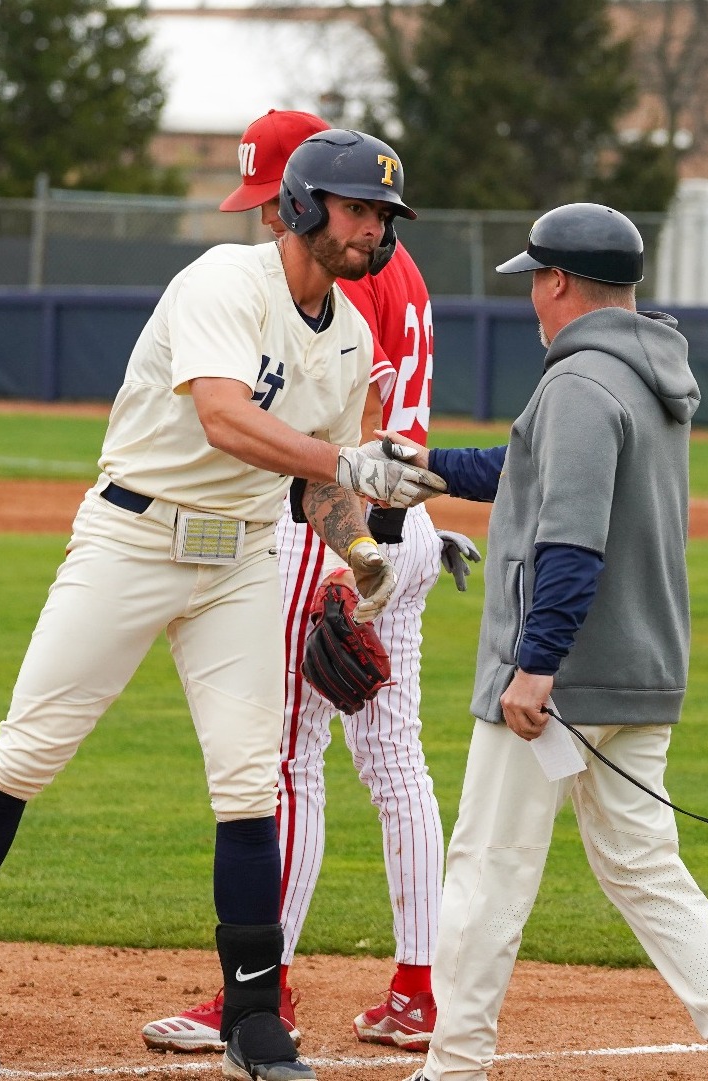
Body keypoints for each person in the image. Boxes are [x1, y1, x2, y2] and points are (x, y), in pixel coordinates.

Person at [0, 130, 448, 1081]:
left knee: (248, 782)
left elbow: (317, 487)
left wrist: (358, 549)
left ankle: (251, 1022)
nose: (375, 230)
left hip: (239, 560)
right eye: (361, 210)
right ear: (310, 205)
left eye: (386, 217)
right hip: (132, 539)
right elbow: (226, 418)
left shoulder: (353, 337)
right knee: (25, 753)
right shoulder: (224, 283)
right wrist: (348, 462)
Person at [386, 204, 708, 1081]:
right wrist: (423, 472)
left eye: (533, 283)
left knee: (487, 872)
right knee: (642, 865)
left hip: (559, 686)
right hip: (638, 671)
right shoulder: (647, 373)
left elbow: (570, 542)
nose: (531, 301)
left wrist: (536, 666)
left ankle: (452, 1068)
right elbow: (529, 471)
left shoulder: (579, 383)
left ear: (558, 283)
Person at [143, 109, 466, 1057]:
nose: (264, 221)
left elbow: (343, 433)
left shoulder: (334, 275)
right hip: (407, 525)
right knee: (397, 758)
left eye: (271, 199)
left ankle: (263, 991)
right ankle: (420, 990)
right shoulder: (392, 262)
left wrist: (342, 556)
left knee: (288, 758)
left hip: (337, 529)